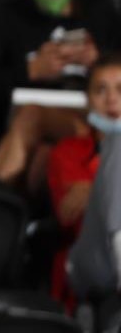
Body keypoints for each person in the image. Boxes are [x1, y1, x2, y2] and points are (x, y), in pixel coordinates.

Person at [0, 0, 121, 193]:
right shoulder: (6, 17)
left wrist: (97, 62)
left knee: (31, 116)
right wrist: (29, 71)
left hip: (97, 117)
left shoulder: (101, 13)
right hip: (32, 129)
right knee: (43, 160)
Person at [54, 55, 121, 309]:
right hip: (91, 255)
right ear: (88, 100)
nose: (112, 99)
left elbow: (86, 195)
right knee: (118, 140)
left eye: (120, 89)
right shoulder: (69, 150)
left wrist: (93, 189)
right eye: (101, 90)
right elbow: (70, 211)